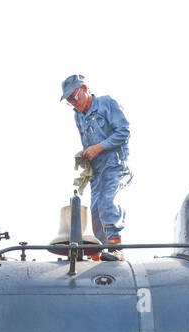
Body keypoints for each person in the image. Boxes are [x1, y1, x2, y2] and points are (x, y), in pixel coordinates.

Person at [61, 74, 132, 261]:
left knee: (107, 203)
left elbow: (124, 131)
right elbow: (87, 143)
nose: (73, 103)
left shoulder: (107, 104)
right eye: (69, 101)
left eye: (74, 97)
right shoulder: (78, 116)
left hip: (114, 164)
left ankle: (116, 248)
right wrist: (86, 157)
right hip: (97, 169)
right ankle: (100, 254)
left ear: (84, 89)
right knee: (95, 212)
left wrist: (99, 147)